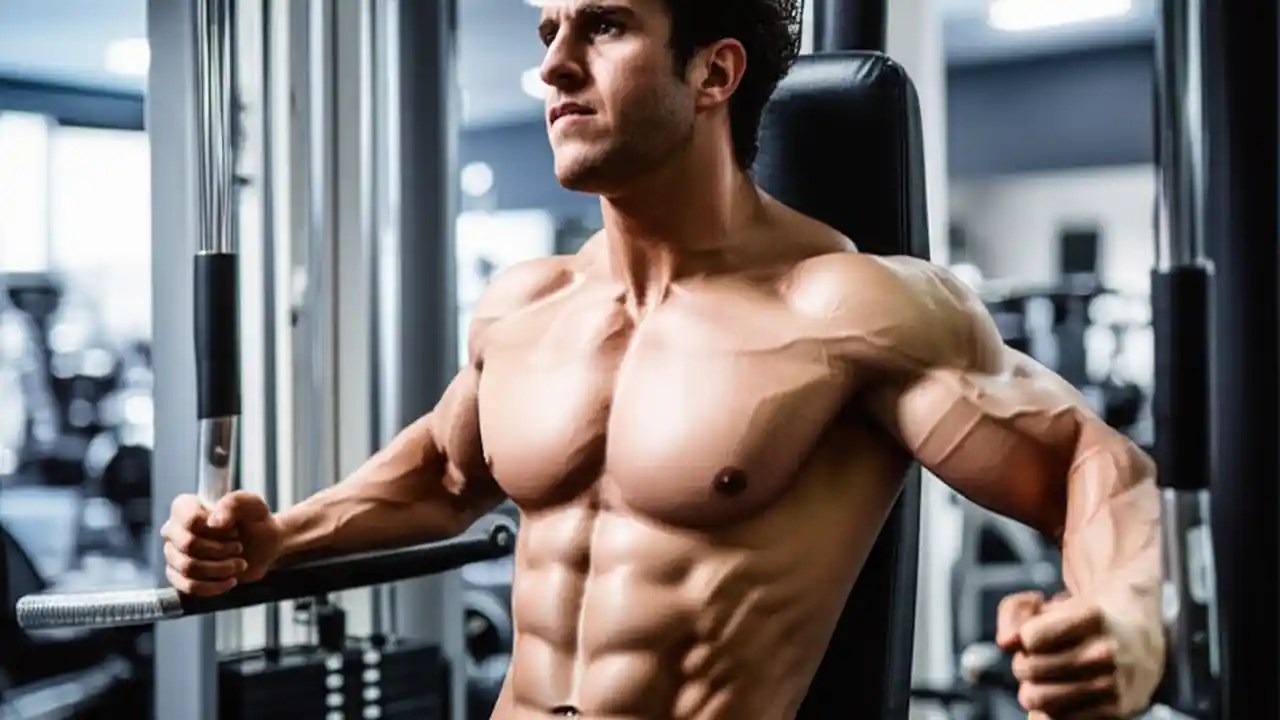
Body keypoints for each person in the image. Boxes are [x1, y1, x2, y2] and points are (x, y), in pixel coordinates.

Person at [161, 1, 1165, 717]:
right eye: (547, 31)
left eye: (601, 27)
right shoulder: (526, 305)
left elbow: (1086, 459)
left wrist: (1125, 621)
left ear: (712, 72)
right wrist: (278, 537)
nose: (553, 65)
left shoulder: (848, 310)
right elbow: (444, 472)